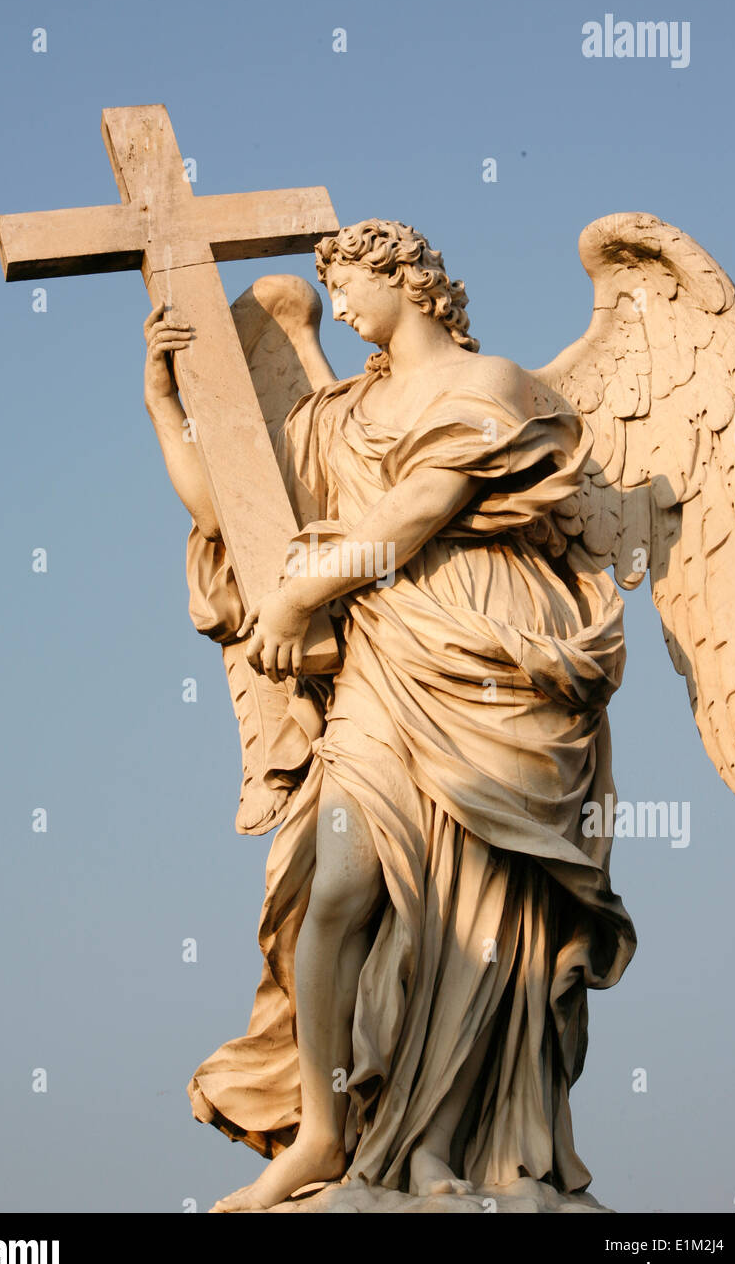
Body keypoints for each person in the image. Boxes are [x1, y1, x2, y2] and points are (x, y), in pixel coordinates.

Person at [144, 220, 636, 1212]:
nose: (337, 309)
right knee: (339, 883)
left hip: (493, 659)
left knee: (487, 911)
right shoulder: (334, 414)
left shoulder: (490, 386)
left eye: (350, 285)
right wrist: (165, 409)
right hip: (381, 661)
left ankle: (463, 1146)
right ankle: (325, 1135)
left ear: (404, 280)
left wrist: (296, 597)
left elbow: (414, 508)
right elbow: (234, 514)